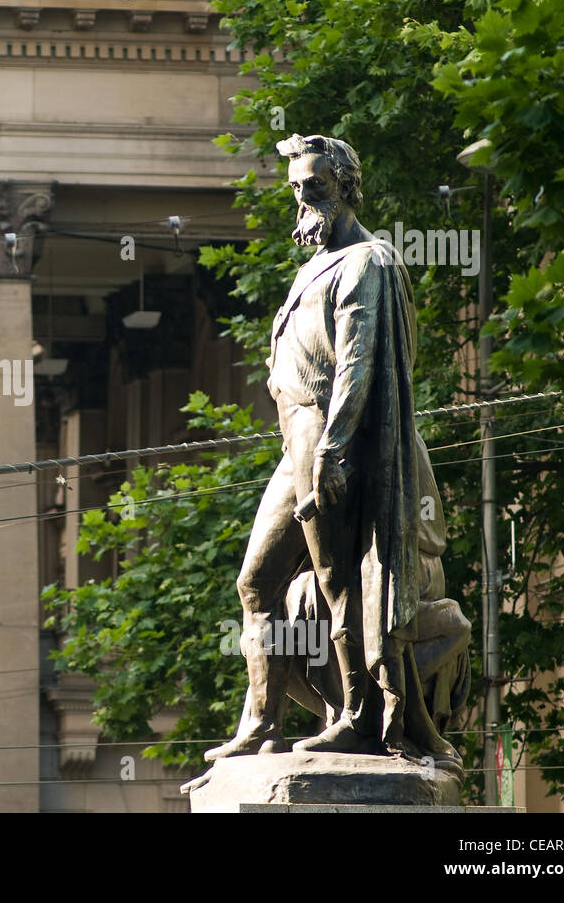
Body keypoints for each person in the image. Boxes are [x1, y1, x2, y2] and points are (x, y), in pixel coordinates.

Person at [205, 133, 456, 762]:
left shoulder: (368, 261)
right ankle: (261, 721)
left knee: (337, 583)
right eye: (295, 187)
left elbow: (357, 363)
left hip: (327, 436)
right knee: (256, 582)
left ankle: (355, 713)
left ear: (345, 185)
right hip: (296, 439)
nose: (303, 197)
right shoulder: (312, 265)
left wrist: (333, 448)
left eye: (314, 185)